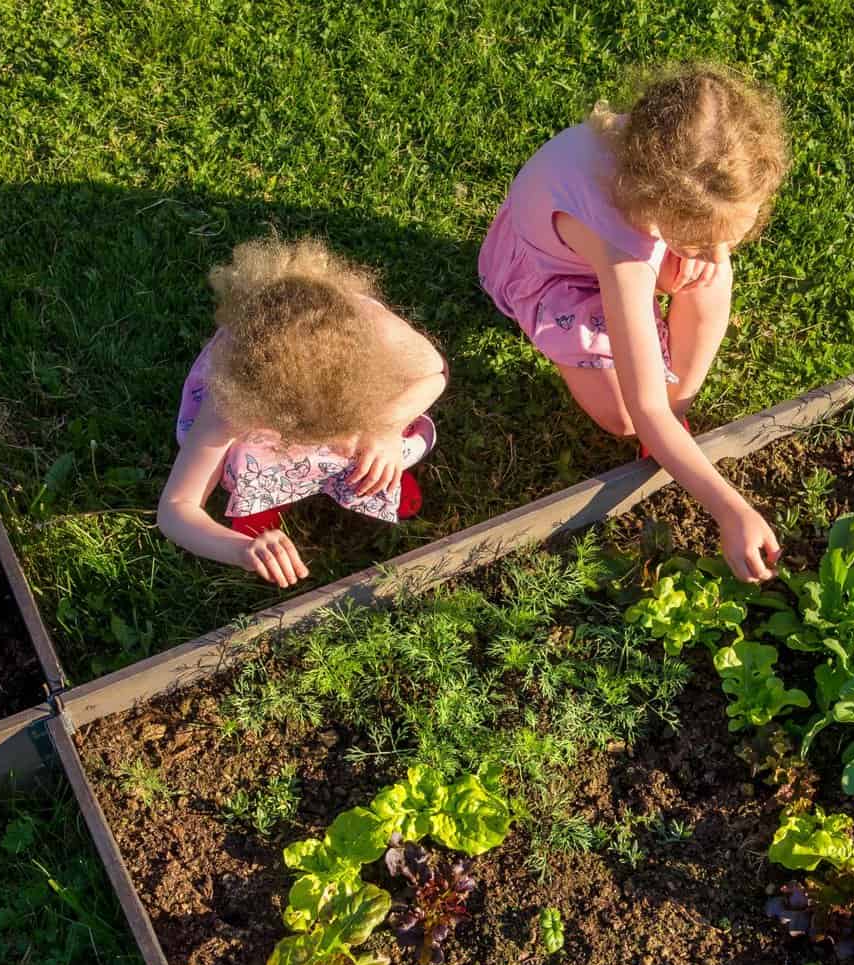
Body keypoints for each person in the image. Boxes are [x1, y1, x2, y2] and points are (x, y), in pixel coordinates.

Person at [478, 63, 790, 582]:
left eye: (730, 235)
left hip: (620, 239)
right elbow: (641, 405)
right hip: (560, 279)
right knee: (625, 415)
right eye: (699, 238)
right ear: (656, 204)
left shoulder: (671, 148)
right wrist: (730, 509)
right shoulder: (619, 249)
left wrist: (699, 247)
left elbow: (699, 243)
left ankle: (677, 414)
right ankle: (666, 424)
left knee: (708, 280)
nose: (716, 253)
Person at [158, 237, 445, 588]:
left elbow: (435, 373)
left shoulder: (374, 329)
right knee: (246, 456)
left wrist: (385, 429)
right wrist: (241, 549)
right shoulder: (235, 395)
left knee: (391, 447)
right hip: (263, 436)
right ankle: (263, 499)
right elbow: (176, 507)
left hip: (373, 424)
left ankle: (373, 477)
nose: (334, 445)